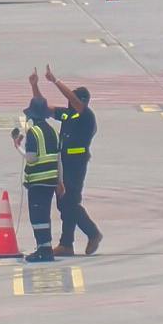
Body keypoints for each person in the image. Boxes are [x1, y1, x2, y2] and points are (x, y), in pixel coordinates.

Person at [48, 72, 102, 255]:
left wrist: (55, 81)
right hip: (63, 164)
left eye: (74, 99)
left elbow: (73, 100)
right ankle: (66, 245)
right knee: (64, 203)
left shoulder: (87, 116)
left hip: (77, 165)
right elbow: (46, 108)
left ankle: (92, 233)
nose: (70, 102)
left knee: (70, 202)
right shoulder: (68, 115)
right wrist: (34, 88)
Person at [13, 80, 61, 260]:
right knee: (45, 214)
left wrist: (18, 147)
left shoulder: (34, 133)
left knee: (37, 216)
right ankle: (46, 247)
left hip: (38, 181)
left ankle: (43, 250)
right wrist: (60, 182)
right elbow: (58, 159)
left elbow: (31, 157)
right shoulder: (53, 132)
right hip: (51, 181)